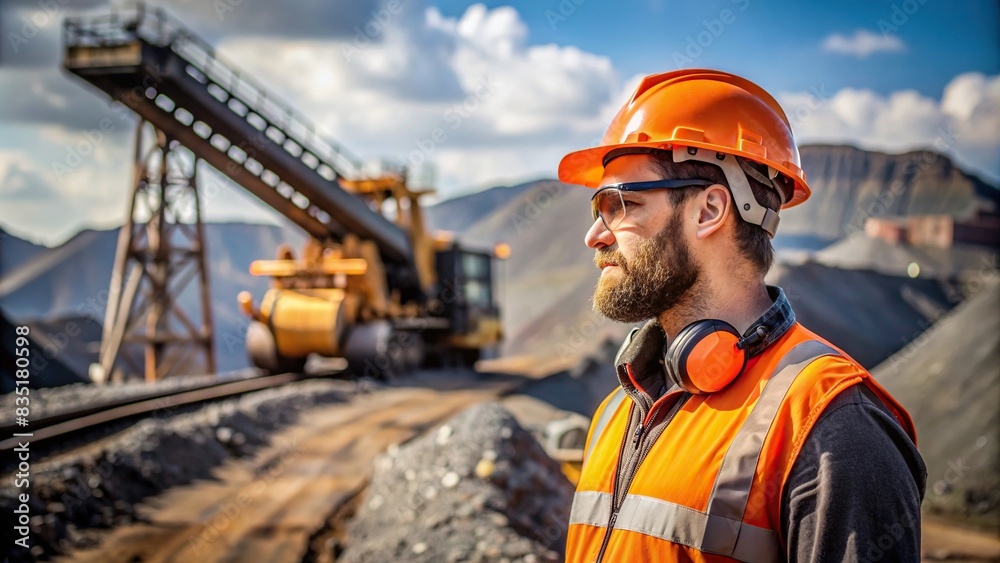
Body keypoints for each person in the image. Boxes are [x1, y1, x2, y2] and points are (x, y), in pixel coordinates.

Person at [558, 69, 926, 562]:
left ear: (709, 210)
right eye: (596, 210)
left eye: (620, 205)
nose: (595, 236)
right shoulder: (615, 416)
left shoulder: (832, 425)